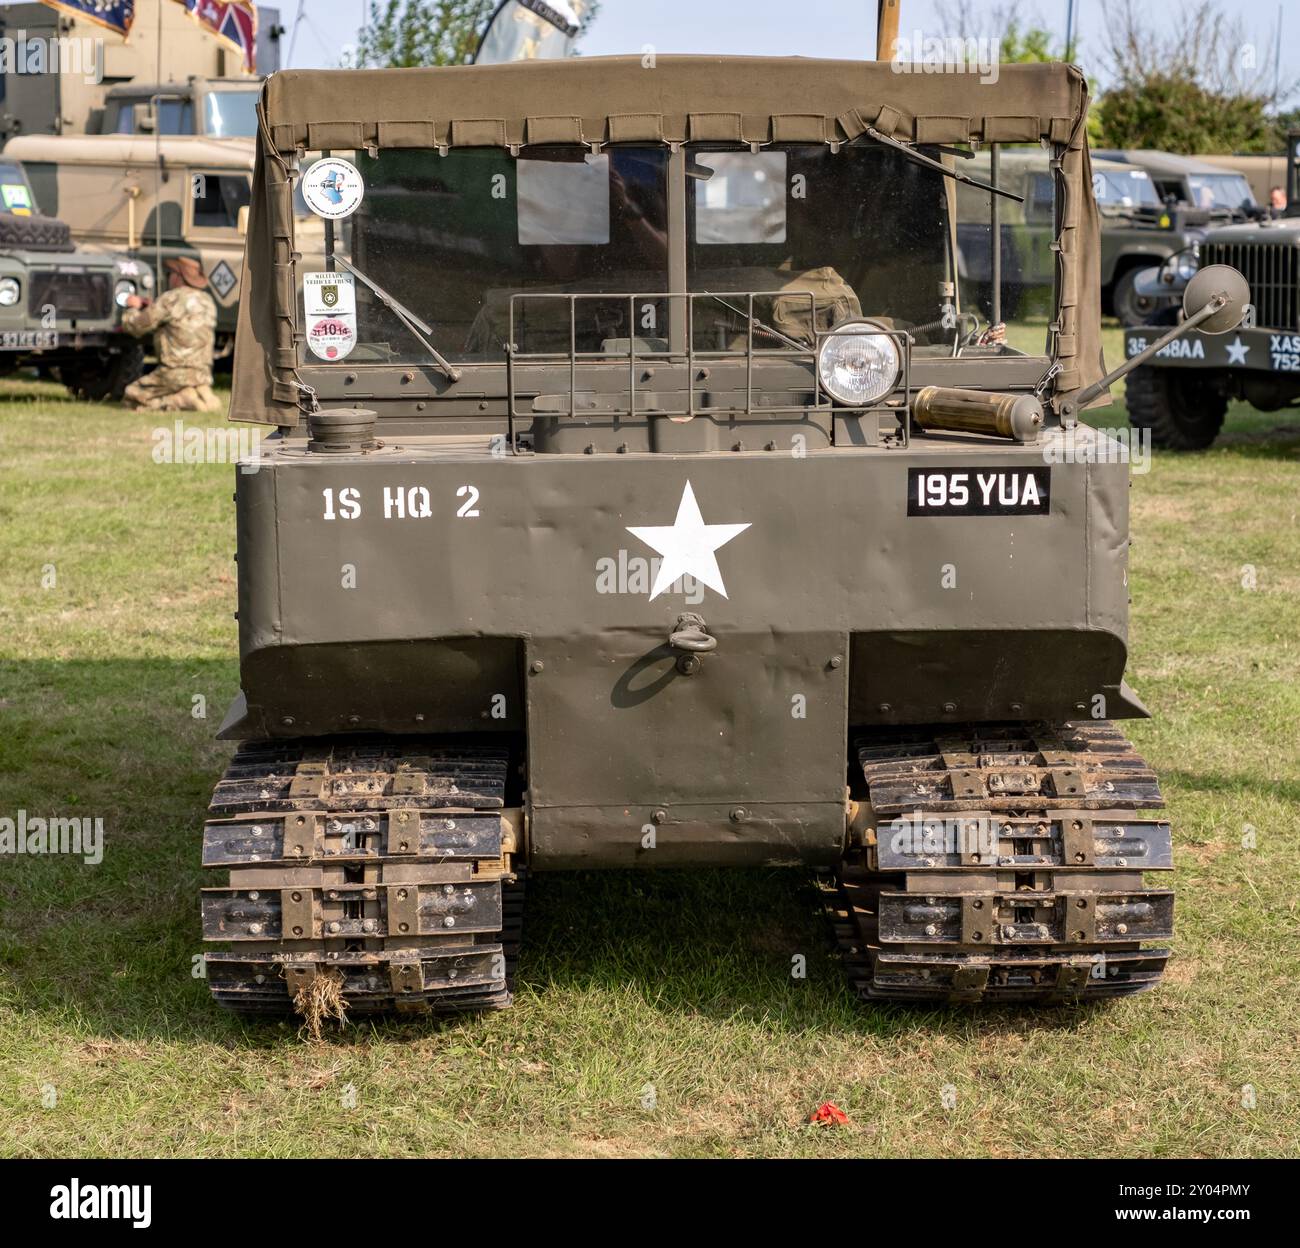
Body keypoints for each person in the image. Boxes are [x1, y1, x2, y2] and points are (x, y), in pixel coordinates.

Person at [120, 256, 220, 412]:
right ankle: (203, 395)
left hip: (174, 373)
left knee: (131, 396)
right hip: (202, 373)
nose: (169, 277)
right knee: (191, 386)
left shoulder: (171, 298)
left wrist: (132, 307)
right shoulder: (207, 301)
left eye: (170, 273)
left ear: (178, 277)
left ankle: (178, 400)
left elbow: (135, 326)